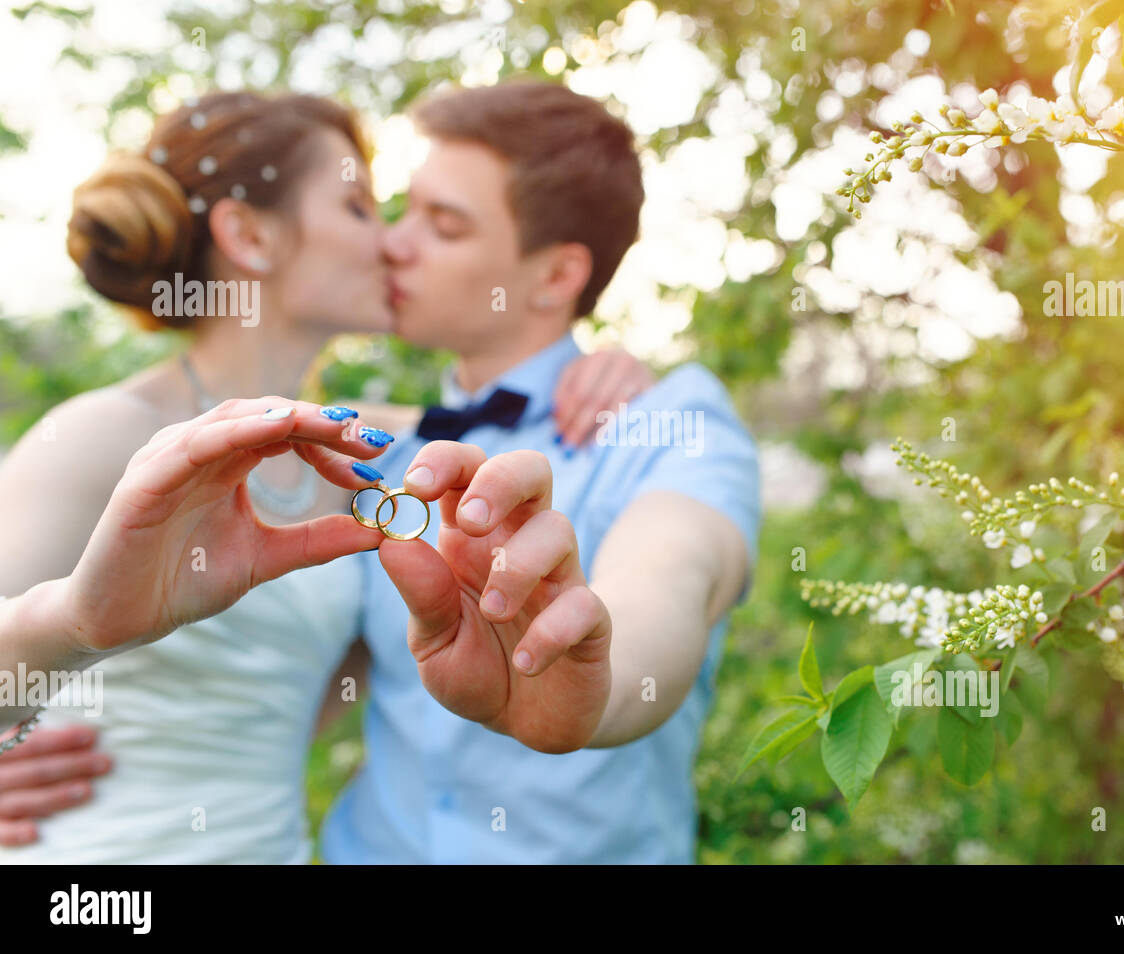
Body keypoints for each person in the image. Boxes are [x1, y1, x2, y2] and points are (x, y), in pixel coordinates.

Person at [0, 90, 651, 861]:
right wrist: (59, 644)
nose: (393, 244)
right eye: (359, 208)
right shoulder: (104, 433)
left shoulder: (364, 451)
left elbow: (501, 407)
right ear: (249, 235)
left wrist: (600, 368)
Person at [318, 79, 761, 864]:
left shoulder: (669, 420)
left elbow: (675, 576)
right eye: (405, 210)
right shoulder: (370, 442)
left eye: (444, 225)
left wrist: (591, 680)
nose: (395, 243)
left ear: (556, 278)